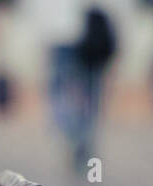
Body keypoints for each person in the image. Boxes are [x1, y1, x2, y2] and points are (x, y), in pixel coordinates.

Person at [30, 0, 124, 171]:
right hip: (71, 33)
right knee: (83, 92)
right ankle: (80, 136)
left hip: (79, 33)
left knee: (67, 91)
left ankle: (77, 135)